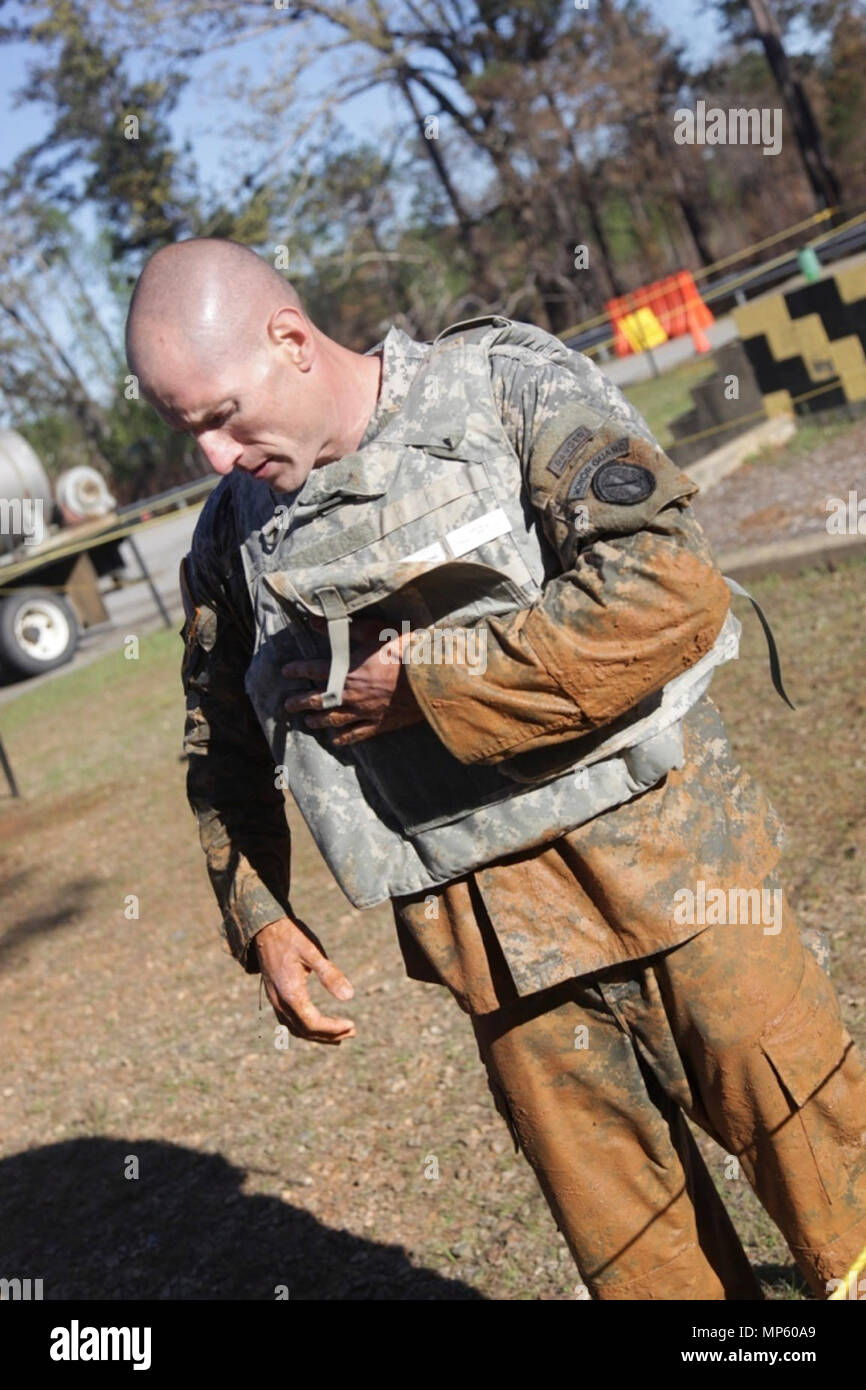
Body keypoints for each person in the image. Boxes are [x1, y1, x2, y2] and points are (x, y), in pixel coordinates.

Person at [125, 237, 866, 1300]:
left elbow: (668, 589)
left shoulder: (499, 386)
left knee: (826, 1182)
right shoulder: (231, 539)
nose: (214, 456)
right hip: (502, 956)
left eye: (219, 415)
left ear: (289, 341)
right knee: (647, 1267)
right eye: (186, 429)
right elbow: (218, 736)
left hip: (684, 878)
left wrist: (424, 684)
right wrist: (262, 915)